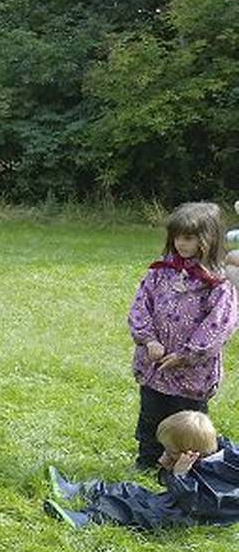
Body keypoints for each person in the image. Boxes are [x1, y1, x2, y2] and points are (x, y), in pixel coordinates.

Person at [128, 201, 237, 470]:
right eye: (176, 237)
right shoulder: (160, 272)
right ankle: (148, 460)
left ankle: (192, 469)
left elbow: (219, 324)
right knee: (151, 415)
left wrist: (187, 355)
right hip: (155, 367)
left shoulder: (217, 283)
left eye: (188, 238)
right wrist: (148, 339)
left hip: (192, 374)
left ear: (207, 239)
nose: (180, 244)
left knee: (189, 424)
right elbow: (141, 305)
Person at [45, 411, 239, 530]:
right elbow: (170, 486)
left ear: (189, 453)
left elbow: (196, 505)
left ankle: (85, 518)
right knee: (128, 488)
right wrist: (169, 468)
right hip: (174, 501)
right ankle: (74, 490)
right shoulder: (205, 455)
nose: (165, 453)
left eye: (169, 451)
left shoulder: (222, 476)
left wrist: (179, 475)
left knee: (135, 510)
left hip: (187, 517)